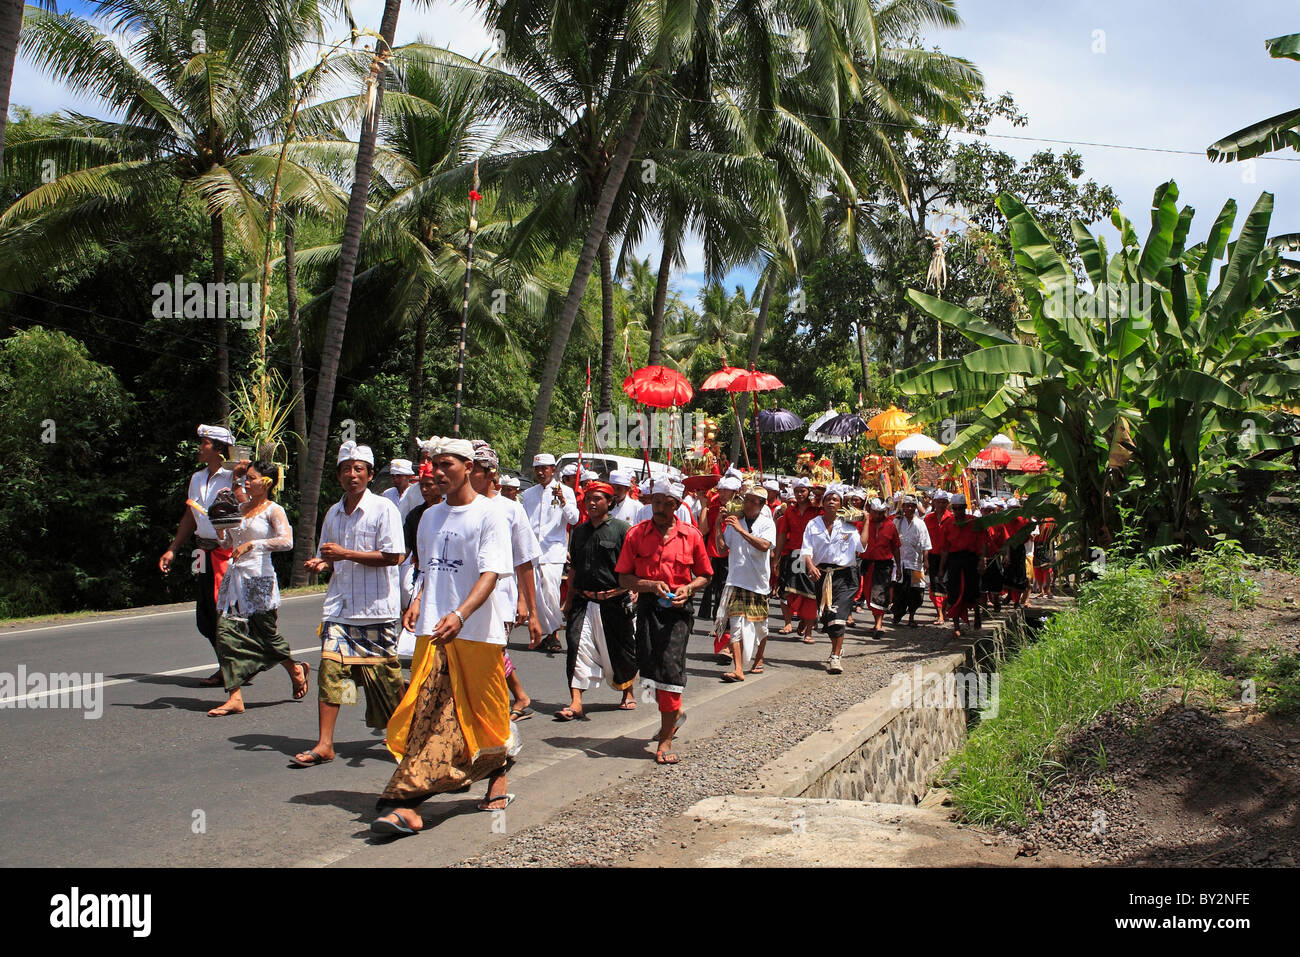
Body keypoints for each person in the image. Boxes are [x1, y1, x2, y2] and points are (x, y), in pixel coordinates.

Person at [372, 437, 515, 835]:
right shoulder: (429, 517)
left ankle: (496, 776)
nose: (437, 471)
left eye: (446, 464)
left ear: (469, 466)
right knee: (429, 713)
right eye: (433, 464)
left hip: (476, 633)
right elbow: (429, 569)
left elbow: (490, 573)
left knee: (486, 713)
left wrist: (460, 614)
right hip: (432, 631)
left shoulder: (490, 514)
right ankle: (406, 800)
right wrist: (418, 599)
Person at [293, 441, 406, 768]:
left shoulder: (385, 510)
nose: (352, 475)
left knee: (384, 683)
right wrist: (322, 564)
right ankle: (325, 744)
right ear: (339, 475)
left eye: (358, 469)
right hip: (340, 609)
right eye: (346, 469)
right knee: (332, 671)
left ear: (370, 475)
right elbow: (329, 556)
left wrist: (344, 555)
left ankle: (406, 733)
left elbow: (393, 557)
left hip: (376, 610)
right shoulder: (333, 512)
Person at [615, 480, 711, 765]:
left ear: (677, 506)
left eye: (666, 503)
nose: (659, 508)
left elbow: (705, 574)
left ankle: (665, 739)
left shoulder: (691, 536)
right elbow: (623, 578)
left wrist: (688, 588)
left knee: (670, 669)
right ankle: (675, 713)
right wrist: (648, 584)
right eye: (655, 502)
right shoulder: (635, 535)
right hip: (647, 607)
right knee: (649, 669)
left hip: (678, 612)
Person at [206, 460, 306, 715]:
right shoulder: (239, 508)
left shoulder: (274, 510)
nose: (245, 483)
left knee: (266, 635)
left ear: (267, 482)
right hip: (235, 578)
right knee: (225, 634)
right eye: (244, 478)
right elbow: (229, 539)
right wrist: (218, 526)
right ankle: (235, 696)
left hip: (259, 579)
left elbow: (286, 541)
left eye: (251, 478)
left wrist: (253, 545)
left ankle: (294, 668)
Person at [469, 442, 544, 721]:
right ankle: (517, 698)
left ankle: (494, 723)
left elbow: (524, 562)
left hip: (500, 597)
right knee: (482, 656)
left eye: (475, 470)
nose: (469, 476)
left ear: (491, 473)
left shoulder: (510, 509)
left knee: (491, 655)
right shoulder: (458, 505)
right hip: (465, 599)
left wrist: (529, 607)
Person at [159, 424, 236, 687]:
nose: (199, 447)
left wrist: (242, 472)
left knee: (225, 611)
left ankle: (232, 668)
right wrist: (173, 548)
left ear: (218, 448)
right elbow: (191, 517)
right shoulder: (197, 478)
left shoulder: (233, 476)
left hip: (228, 551)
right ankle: (229, 664)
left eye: (204, 442)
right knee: (205, 615)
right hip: (202, 550)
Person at [557, 482, 637, 719]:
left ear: (609, 502)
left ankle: (628, 692)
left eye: (597, 499)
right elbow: (574, 570)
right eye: (588, 498)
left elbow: (634, 565)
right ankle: (576, 702)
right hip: (583, 600)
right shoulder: (579, 532)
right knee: (576, 646)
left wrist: (636, 590)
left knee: (620, 649)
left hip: (614, 602)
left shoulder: (622, 530)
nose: (591, 503)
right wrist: (568, 600)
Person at [795, 486, 866, 673]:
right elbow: (806, 549)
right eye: (829, 499)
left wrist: (867, 522)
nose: (832, 502)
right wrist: (810, 566)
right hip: (822, 575)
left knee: (838, 615)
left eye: (836, 499)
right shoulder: (813, 524)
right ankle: (837, 647)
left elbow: (862, 546)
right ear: (823, 503)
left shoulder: (848, 526)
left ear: (841, 504)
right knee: (828, 618)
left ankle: (835, 657)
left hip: (845, 576)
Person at [716, 481, 776, 681]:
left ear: (761, 505)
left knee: (761, 626)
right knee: (736, 626)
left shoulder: (767, 523)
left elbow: (765, 545)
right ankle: (738, 668)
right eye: (747, 500)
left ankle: (759, 658)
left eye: (753, 501)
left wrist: (741, 531)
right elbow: (723, 549)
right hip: (736, 580)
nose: (748, 504)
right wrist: (719, 525)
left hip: (758, 583)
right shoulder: (735, 522)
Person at [520, 453, 579, 653]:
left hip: (553, 550)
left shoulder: (566, 492)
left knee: (552, 594)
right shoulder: (528, 494)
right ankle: (541, 633)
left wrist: (563, 501)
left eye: (545, 468)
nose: (540, 472)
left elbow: (574, 519)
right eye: (537, 468)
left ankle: (553, 634)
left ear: (553, 470)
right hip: (532, 551)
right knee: (536, 595)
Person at [698, 474, 739, 657]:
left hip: (734, 556)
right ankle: (721, 632)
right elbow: (703, 530)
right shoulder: (713, 504)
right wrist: (705, 505)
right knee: (718, 593)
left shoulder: (740, 508)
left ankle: (728, 640)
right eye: (720, 489)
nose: (722, 493)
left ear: (734, 492)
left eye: (726, 490)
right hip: (716, 554)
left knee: (729, 597)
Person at [938, 494, 986, 638]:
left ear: (965, 508)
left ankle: (977, 614)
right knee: (953, 592)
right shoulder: (948, 524)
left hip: (971, 559)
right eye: (955, 509)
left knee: (974, 590)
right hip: (955, 561)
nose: (958, 512)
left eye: (960, 509)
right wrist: (941, 568)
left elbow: (983, 543)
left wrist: (982, 560)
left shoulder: (974, 522)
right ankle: (956, 626)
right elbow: (945, 549)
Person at [775, 479, 817, 641]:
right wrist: (777, 558)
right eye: (797, 491)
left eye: (803, 491)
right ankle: (791, 622)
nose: (799, 494)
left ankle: (808, 631)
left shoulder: (817, 511)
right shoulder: (789, 512)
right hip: (793, 555)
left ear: (808, 492)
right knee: (788, 591)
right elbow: (782, 535)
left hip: (812, 557)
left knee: (811, 594)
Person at [860, 498, 900, 639]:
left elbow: (895, 547)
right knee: (868, 592)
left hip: (884, 565)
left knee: (880, 594)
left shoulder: (890, 526)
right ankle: (875, 621)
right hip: (867, 563)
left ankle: (879, 624)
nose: (877, 516)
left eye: (880, 513)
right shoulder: (864, 522)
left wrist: (899, 567)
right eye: (874, 512)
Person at [891, 495, 931, 628]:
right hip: (899, 563)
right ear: (903, 507)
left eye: (912, 506)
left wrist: (926, 561)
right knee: (899, 591)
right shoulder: (897, 522)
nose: (909, 508)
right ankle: (898, 613)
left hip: (915, 563)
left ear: (915, 508)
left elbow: (925, 544)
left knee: (916, 592)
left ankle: (912, 616)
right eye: (906, 505)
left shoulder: (920, 524)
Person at [923, 490, 952, 625]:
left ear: (947, 503)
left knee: (946, 584)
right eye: (938, 502)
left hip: (949, 556)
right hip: (933, 556)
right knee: (935, 584)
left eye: (943, 502)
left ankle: (945, 610)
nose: (941, 505)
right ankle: (939, 614)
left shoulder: (951, 518)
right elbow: (924, 541)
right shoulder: (928, 518)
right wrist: (926, 559)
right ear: (934, 502)